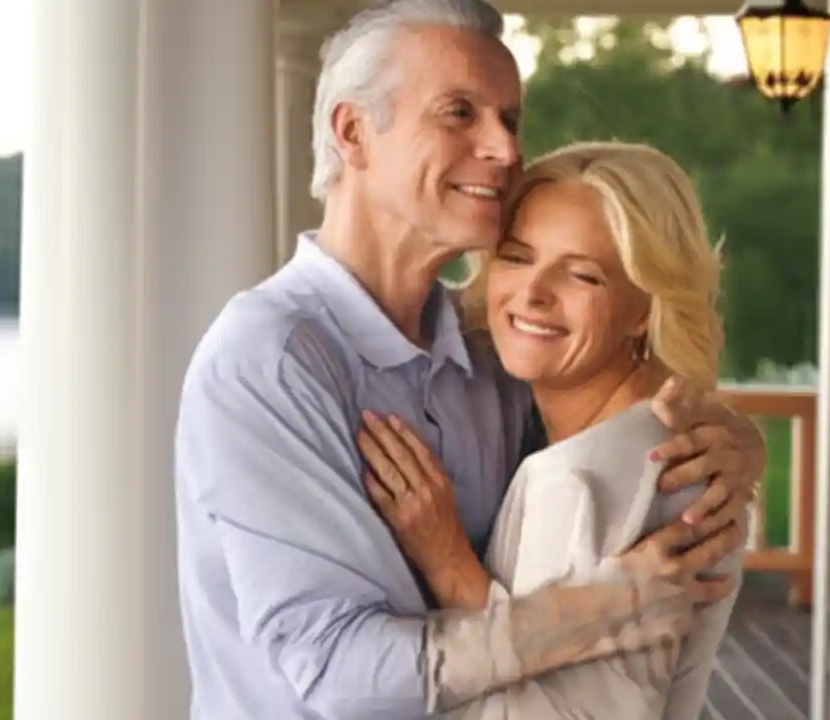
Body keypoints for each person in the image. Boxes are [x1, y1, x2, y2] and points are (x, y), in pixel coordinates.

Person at [173, 2, 766, 718]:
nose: (506, 150)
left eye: (509, 119)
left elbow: (607, 442)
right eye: (459, 112)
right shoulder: (271, 362)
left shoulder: (494, 350)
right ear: (352, 131)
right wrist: (600, 609)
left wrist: (734, 442)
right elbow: (340, 679)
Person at [358, 141, 741, 719]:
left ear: (644, 308)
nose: (533, 293)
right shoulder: (661, 443)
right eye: (517, 257)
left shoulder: (578, 479)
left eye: (582, 275)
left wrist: (449, 565)